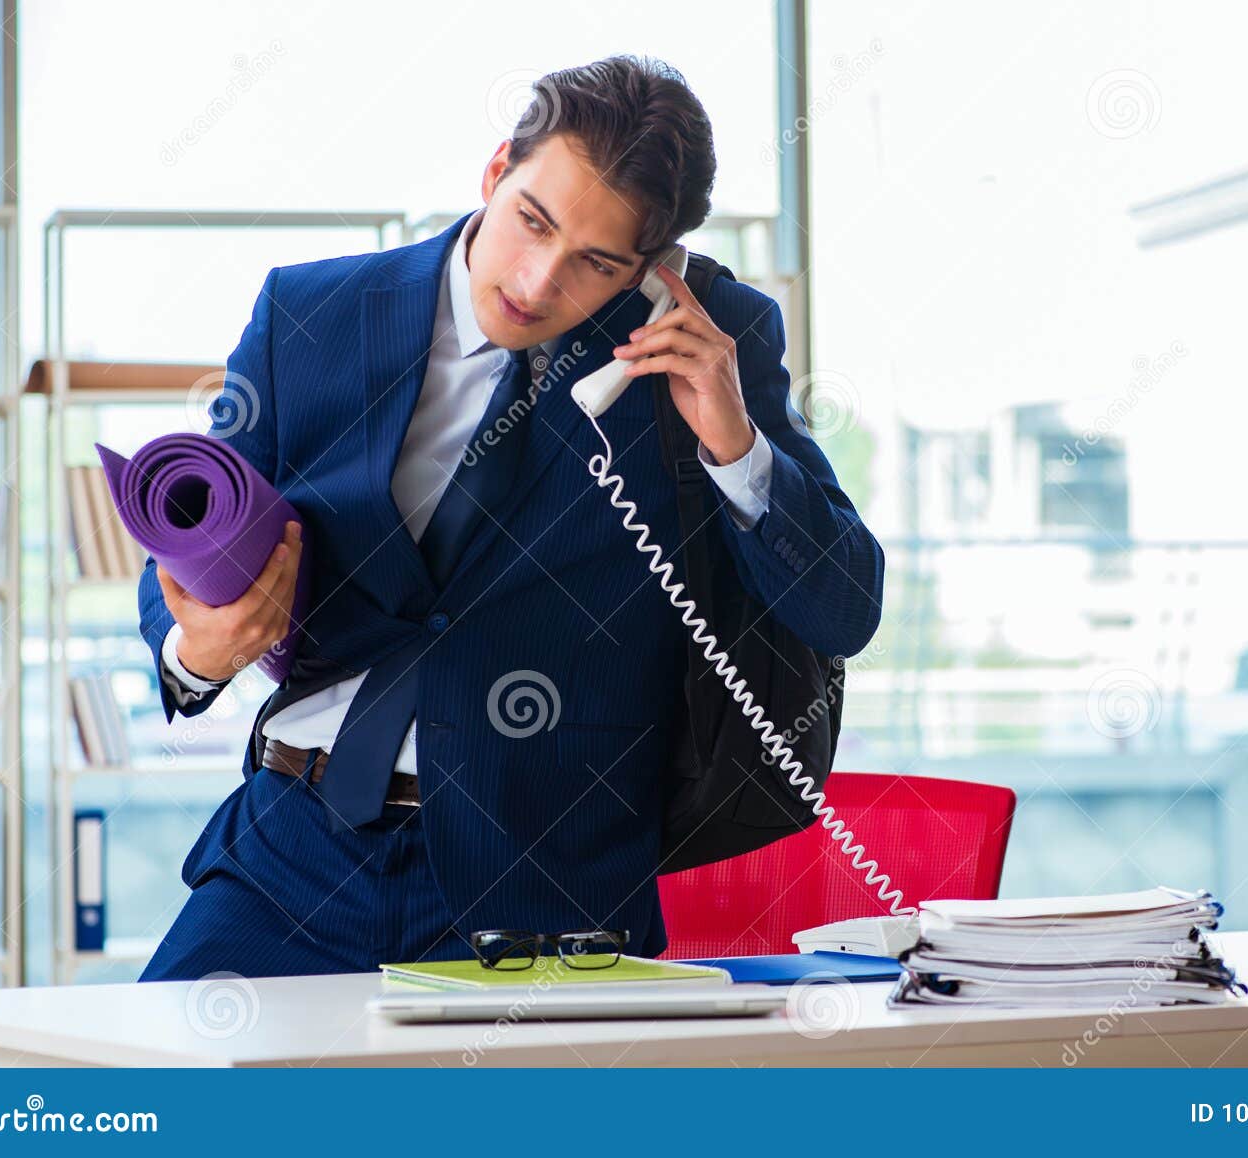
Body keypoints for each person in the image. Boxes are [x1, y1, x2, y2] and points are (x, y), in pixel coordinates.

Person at [136, 54, 883, 982]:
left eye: (597, 262)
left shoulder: (713, 341)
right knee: (160, 1108)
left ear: (654, 271)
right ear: (497, 172)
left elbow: (845, 609)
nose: (536, 282)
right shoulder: (312, 314)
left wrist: (734, 444)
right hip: (296, 850)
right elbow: (201, 538)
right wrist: (192, 651)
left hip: (545, 895)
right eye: (532, 221)